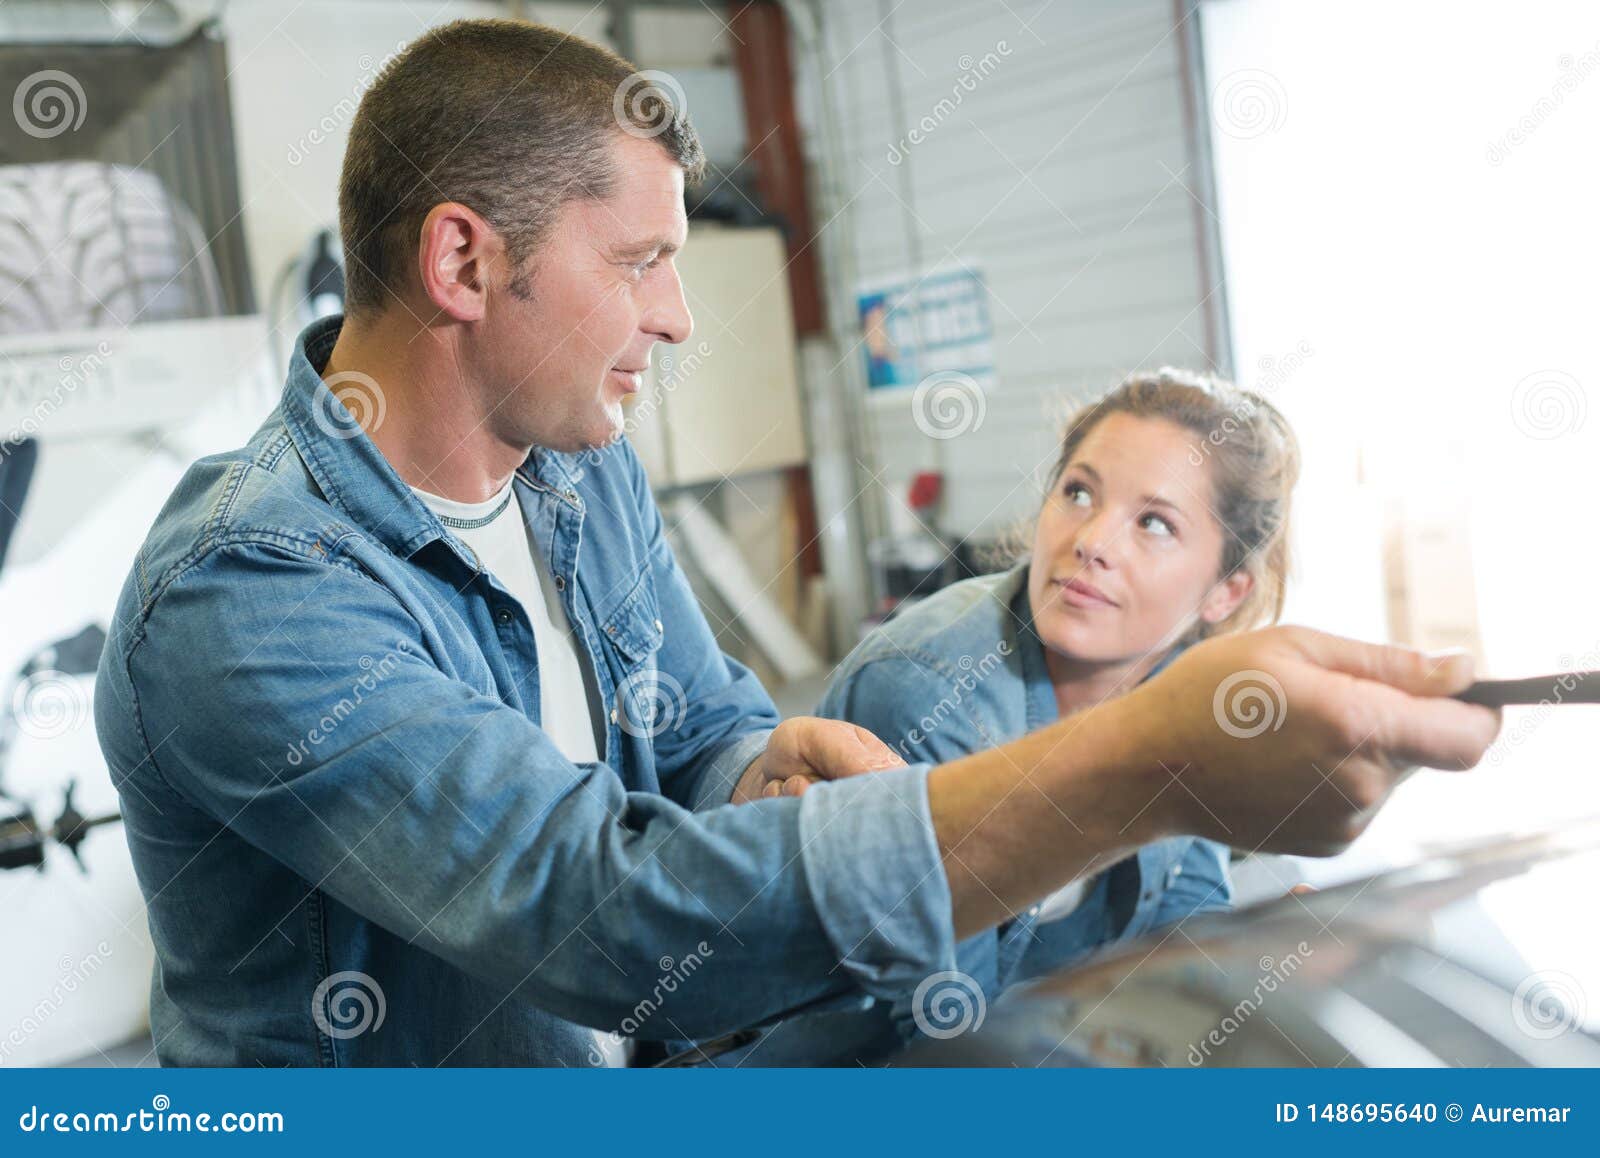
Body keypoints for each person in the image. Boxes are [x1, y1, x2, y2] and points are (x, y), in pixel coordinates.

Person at [93, 18, 1499, 1067]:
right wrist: (1154, 764)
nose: (680, 319)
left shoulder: (576, 475)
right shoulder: (247, 586)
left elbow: (698, 727)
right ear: (464, 261)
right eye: (641, 263)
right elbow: (599, 910)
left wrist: (759, 762)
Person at [730, 369, 1301, 1063]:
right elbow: (951, 1031)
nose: (1092, 540)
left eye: (1153, 522)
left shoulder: (1191, 696)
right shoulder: (928, 692)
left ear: (1225, 589)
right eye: (1078, 492)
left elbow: (1187, 931)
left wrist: (1252, 981)